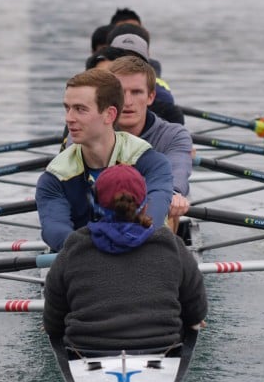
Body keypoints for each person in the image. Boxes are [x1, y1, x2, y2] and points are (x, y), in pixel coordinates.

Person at [43, 163, 207, 353]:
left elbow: (54, 314)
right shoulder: (169, 243)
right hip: (162, 345)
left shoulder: (74, 245)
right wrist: (194, 319)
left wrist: (51, 326)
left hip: (86, 349)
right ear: (146, 205)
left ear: (94, 204)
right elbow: (197, 307)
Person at [35, 70, 173, 252]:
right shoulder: (55, 176)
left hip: (144, 255)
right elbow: (55, 230)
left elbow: (154, 215)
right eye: (67, 108)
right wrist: (99, 257)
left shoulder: (149, 162)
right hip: (85, 261)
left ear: (109, 114)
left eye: (80, 109)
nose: (69, 118)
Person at [106, 55, 192, 224]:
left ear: (151, 97)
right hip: (101, 211)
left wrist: (173, 193)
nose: (128, 102)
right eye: (120, 93)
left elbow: (178, 171)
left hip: (154, 213)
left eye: (136, 92)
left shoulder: (174, 135)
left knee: (167, 197)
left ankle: (155, 245)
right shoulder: (87, 131)